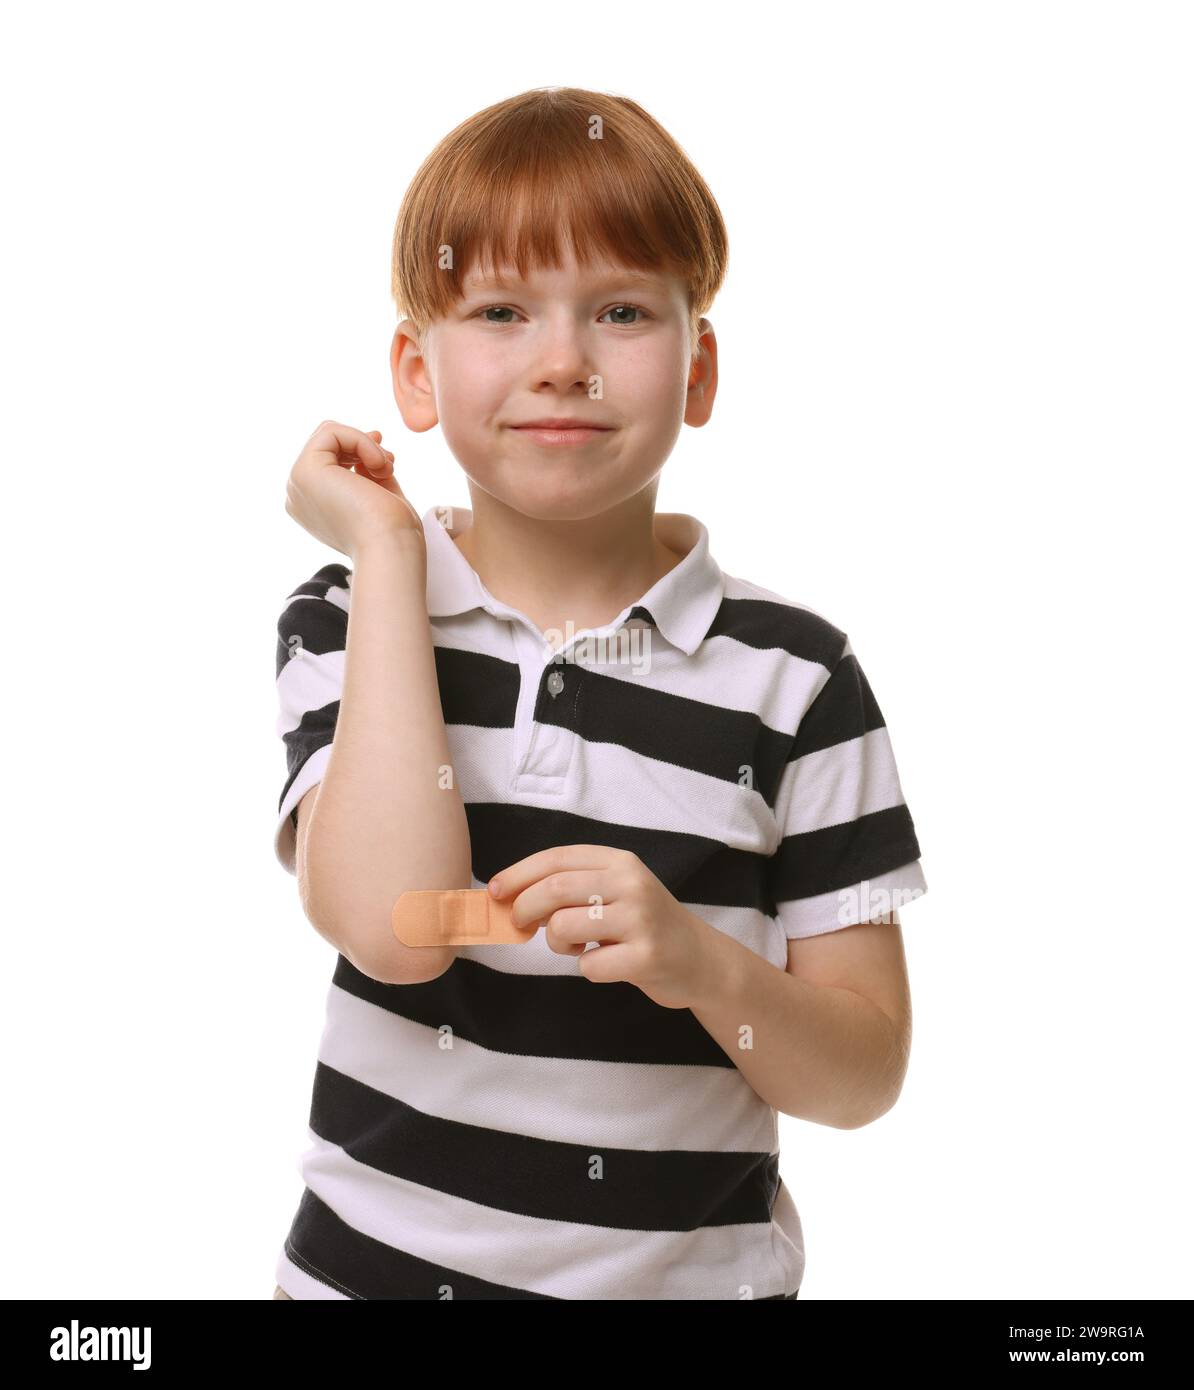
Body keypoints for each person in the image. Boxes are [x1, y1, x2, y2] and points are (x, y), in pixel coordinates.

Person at [270, 86, 927, 1300]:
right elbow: (389, 923)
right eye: (502, 311)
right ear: (416, 372)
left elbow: (863, 1074)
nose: (562, 361)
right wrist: (390, 551)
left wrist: (700, 963)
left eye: (622, 311)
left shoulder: (798, 680)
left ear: (698, 364)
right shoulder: (355, 615)